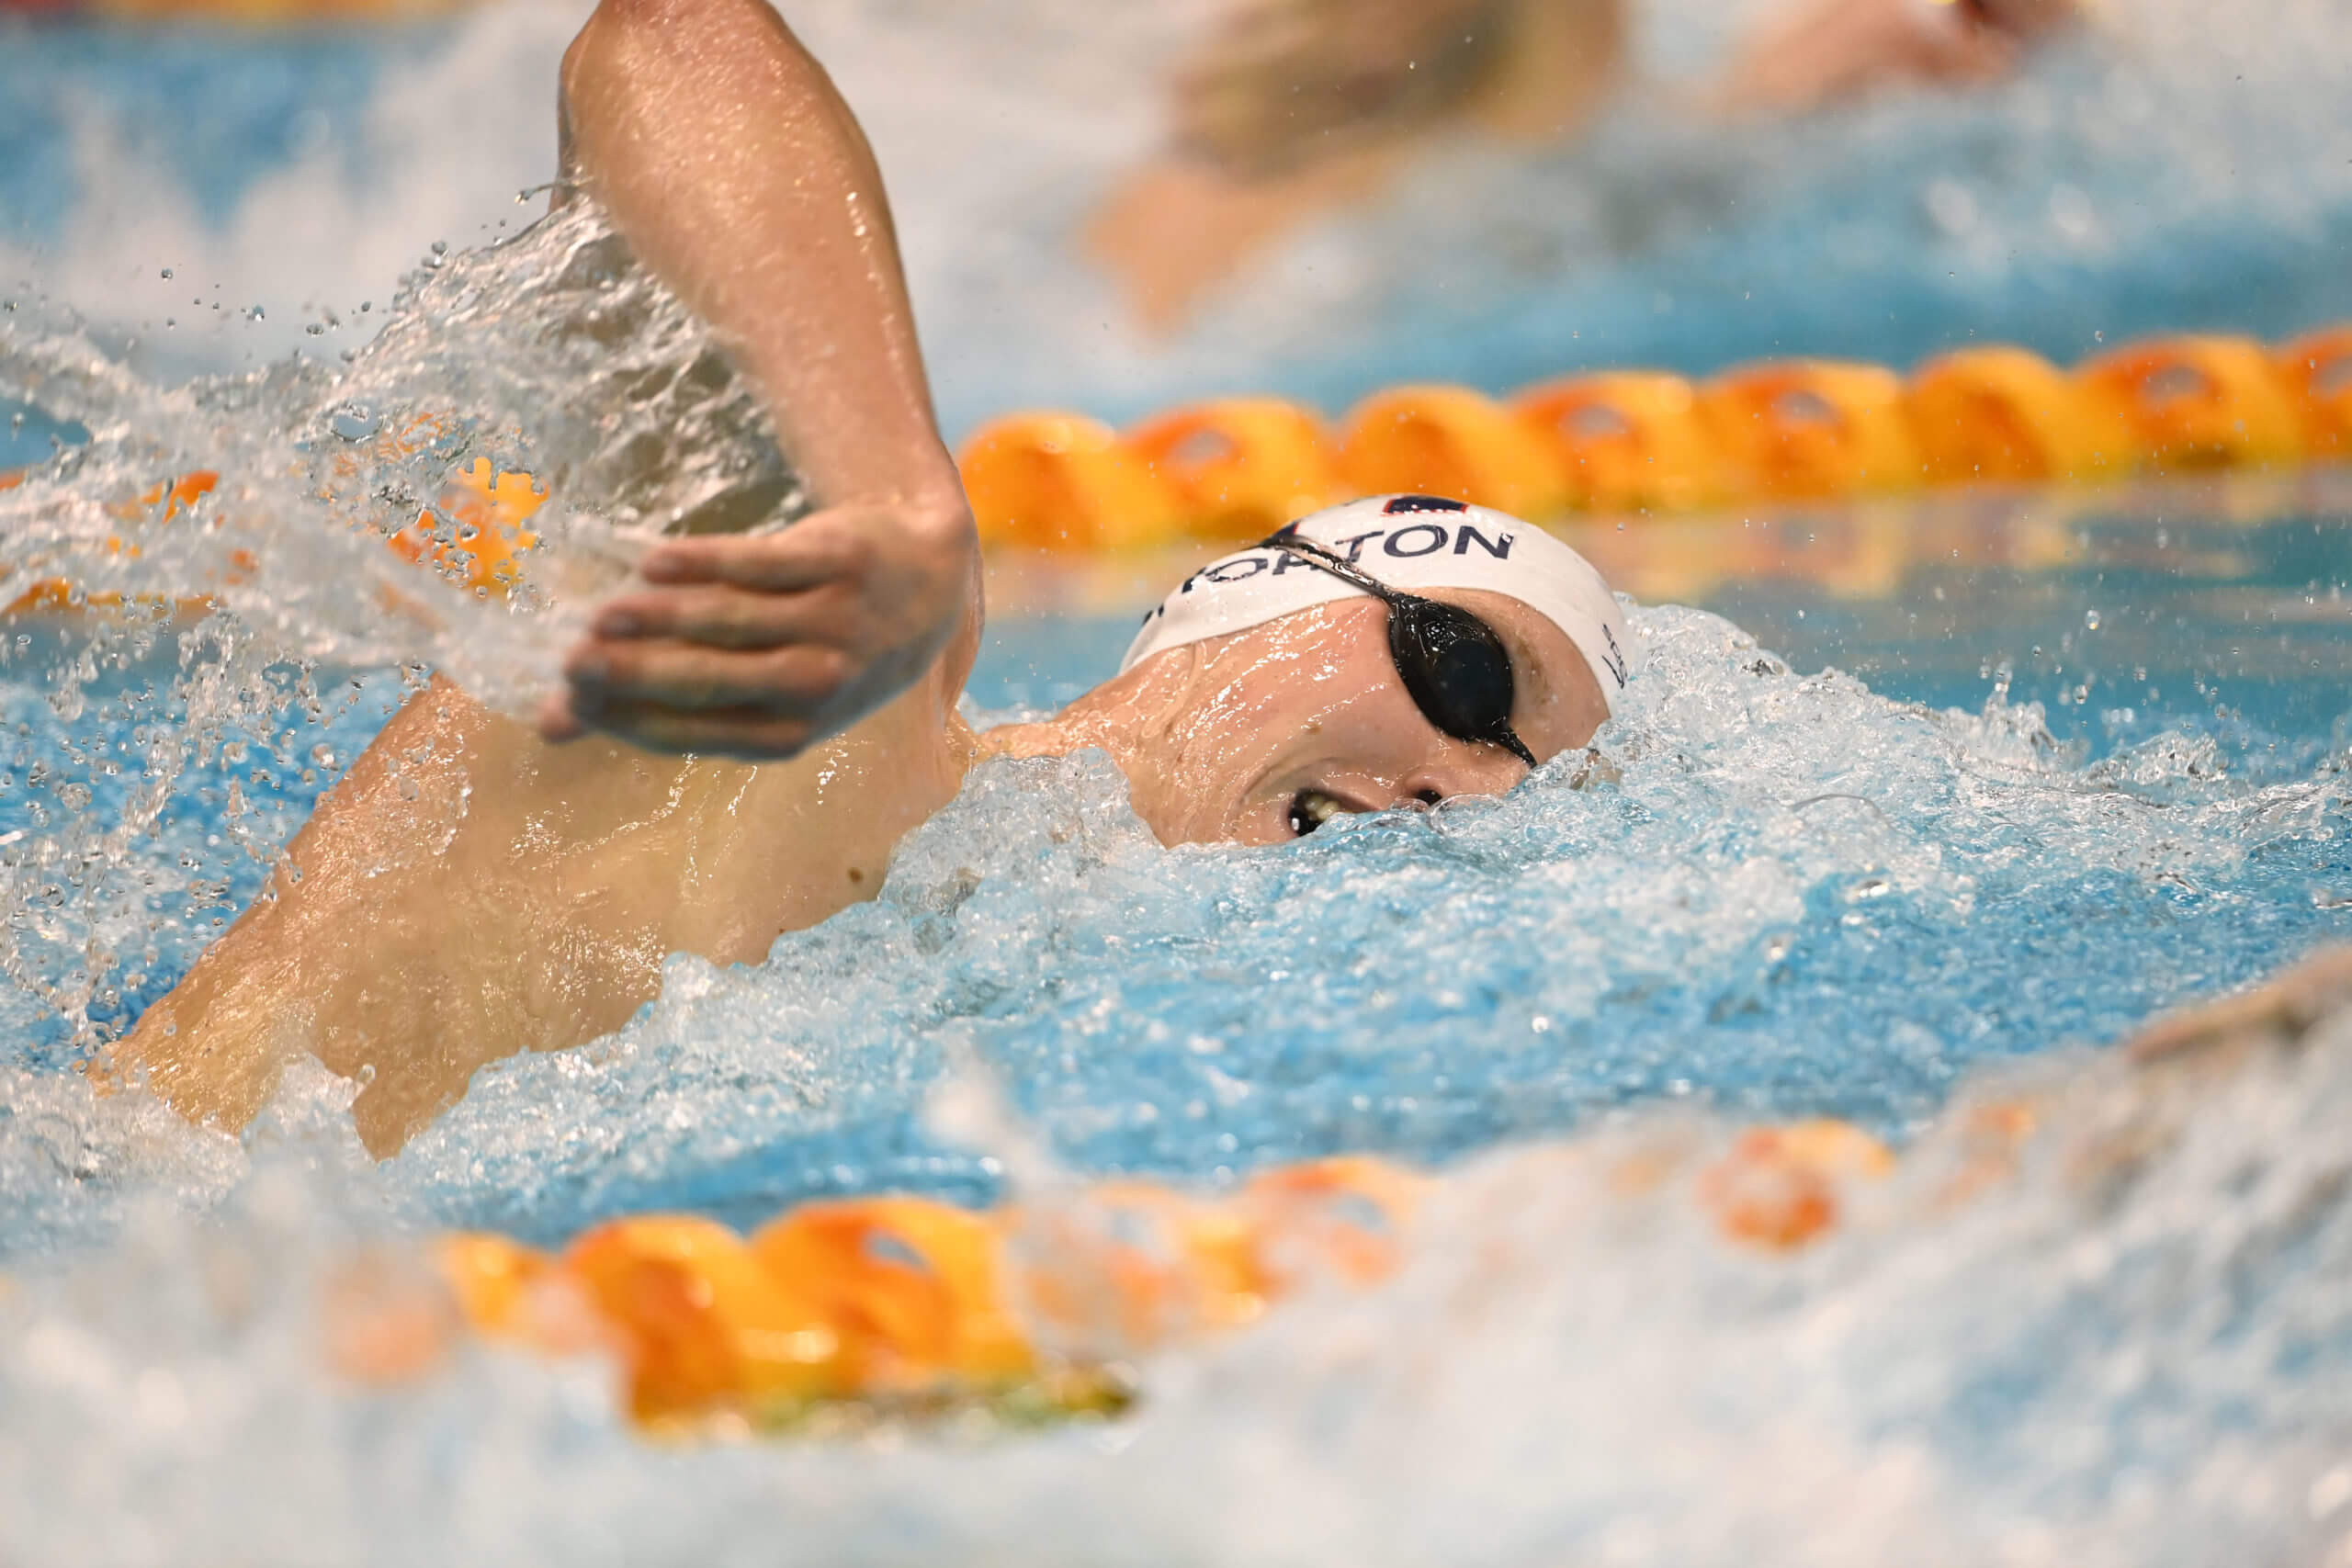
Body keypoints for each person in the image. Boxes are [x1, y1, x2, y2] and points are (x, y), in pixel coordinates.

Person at [112, 0, 1629, 1158]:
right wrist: (898, 498)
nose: (1473, 790)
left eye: (1530, 796)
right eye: (1464, 673)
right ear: (1248, 606)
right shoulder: (834, 702)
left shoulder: (1044, 1041)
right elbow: (673, 41)